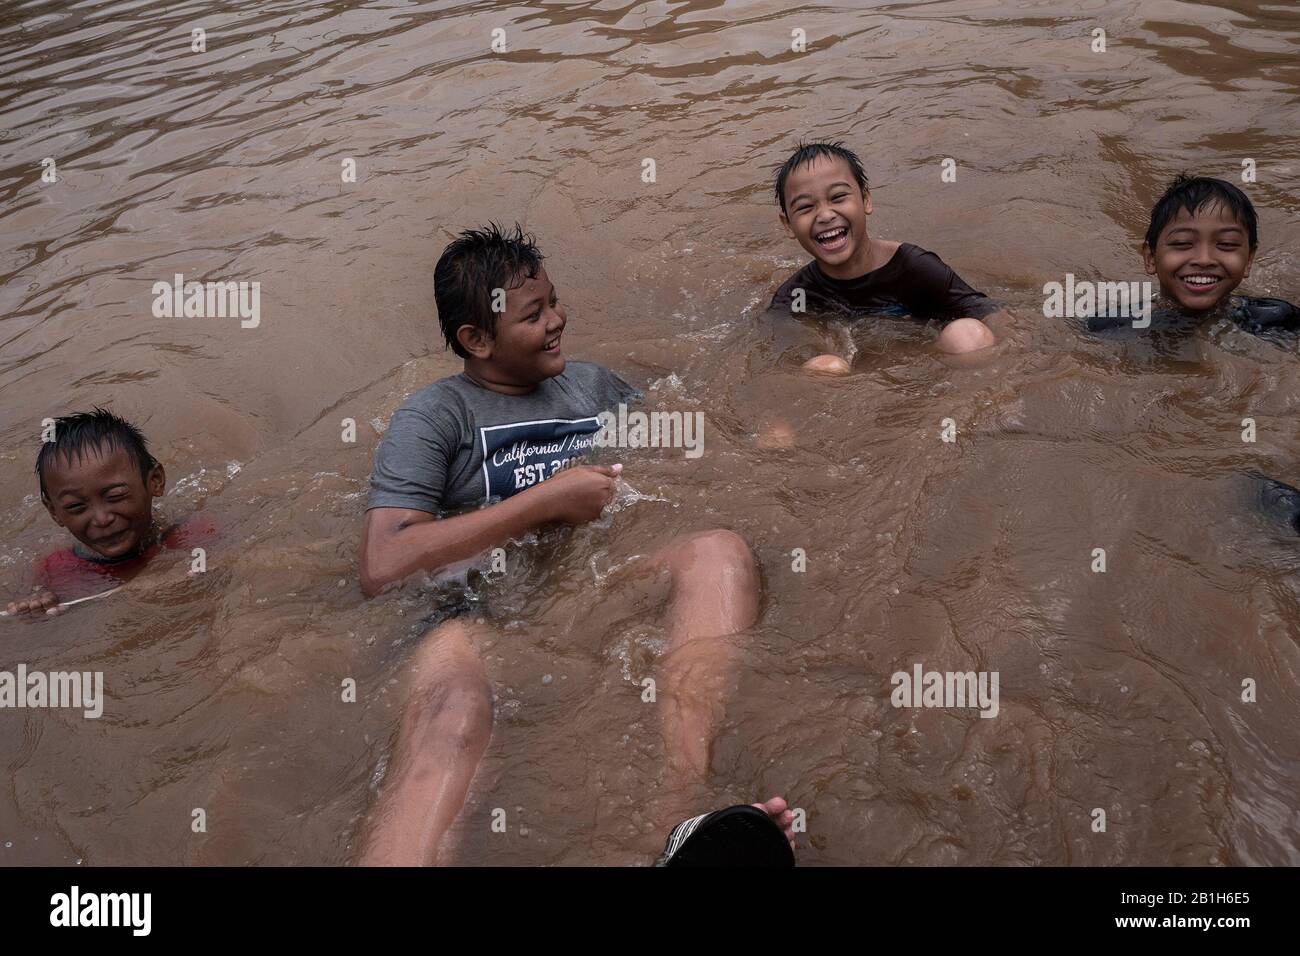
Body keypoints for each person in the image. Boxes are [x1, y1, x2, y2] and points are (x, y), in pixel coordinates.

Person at [356, 223, 778, 865]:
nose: (557, 320)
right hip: (477, 616)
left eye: (554, 301)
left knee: (719, 552)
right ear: (476, 339)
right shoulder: (435, 416)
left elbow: (684, 431)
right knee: (455, 710)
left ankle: (680, 816)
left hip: (588, 586)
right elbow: (383, 564)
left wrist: (756, 439)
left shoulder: (593, 386)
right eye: (534, 314)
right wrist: (546, 501)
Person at [767, 140, 1007, 374]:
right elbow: (780, 360)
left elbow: (991, 313)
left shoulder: (914, 267)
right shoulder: (795, 297)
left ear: (866, 200)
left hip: (925, 370)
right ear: (788, 225)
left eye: (838, 197)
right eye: (806, 207)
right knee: (825, 367)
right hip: (853, 391)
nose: (825, 215)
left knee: (969, 336)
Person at [5, 408, 214, 618]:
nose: (102, 519)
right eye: (76, 507)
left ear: (155, 482)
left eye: (115, 496)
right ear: (54, 512)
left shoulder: (196, 536)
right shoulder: (56, 570)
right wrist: (38, 608)